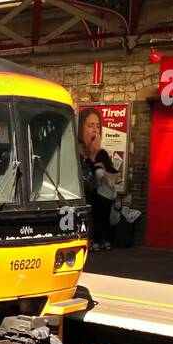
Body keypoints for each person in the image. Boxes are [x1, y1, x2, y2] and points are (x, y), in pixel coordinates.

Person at [79, 108, 118, 251]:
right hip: (88, 194)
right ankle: (93, 241)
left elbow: (111, 172)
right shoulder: (78, 152)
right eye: (90, 126)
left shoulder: (102, 153)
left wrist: (102, 166)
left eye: (97, 126)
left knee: (101, 219)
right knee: (92, 219)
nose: (95, 131)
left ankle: (102, 241)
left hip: (102, 195)